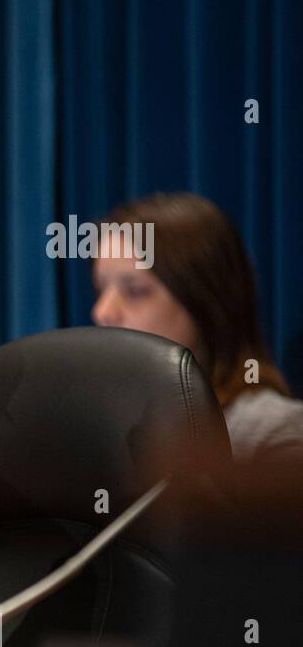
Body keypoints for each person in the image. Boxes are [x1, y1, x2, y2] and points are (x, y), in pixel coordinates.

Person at [91, 191, 303, 462]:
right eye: (99, 290)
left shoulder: (273, 434)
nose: (102, 312)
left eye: (135, 291)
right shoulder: (109, 433)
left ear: (206, 302)